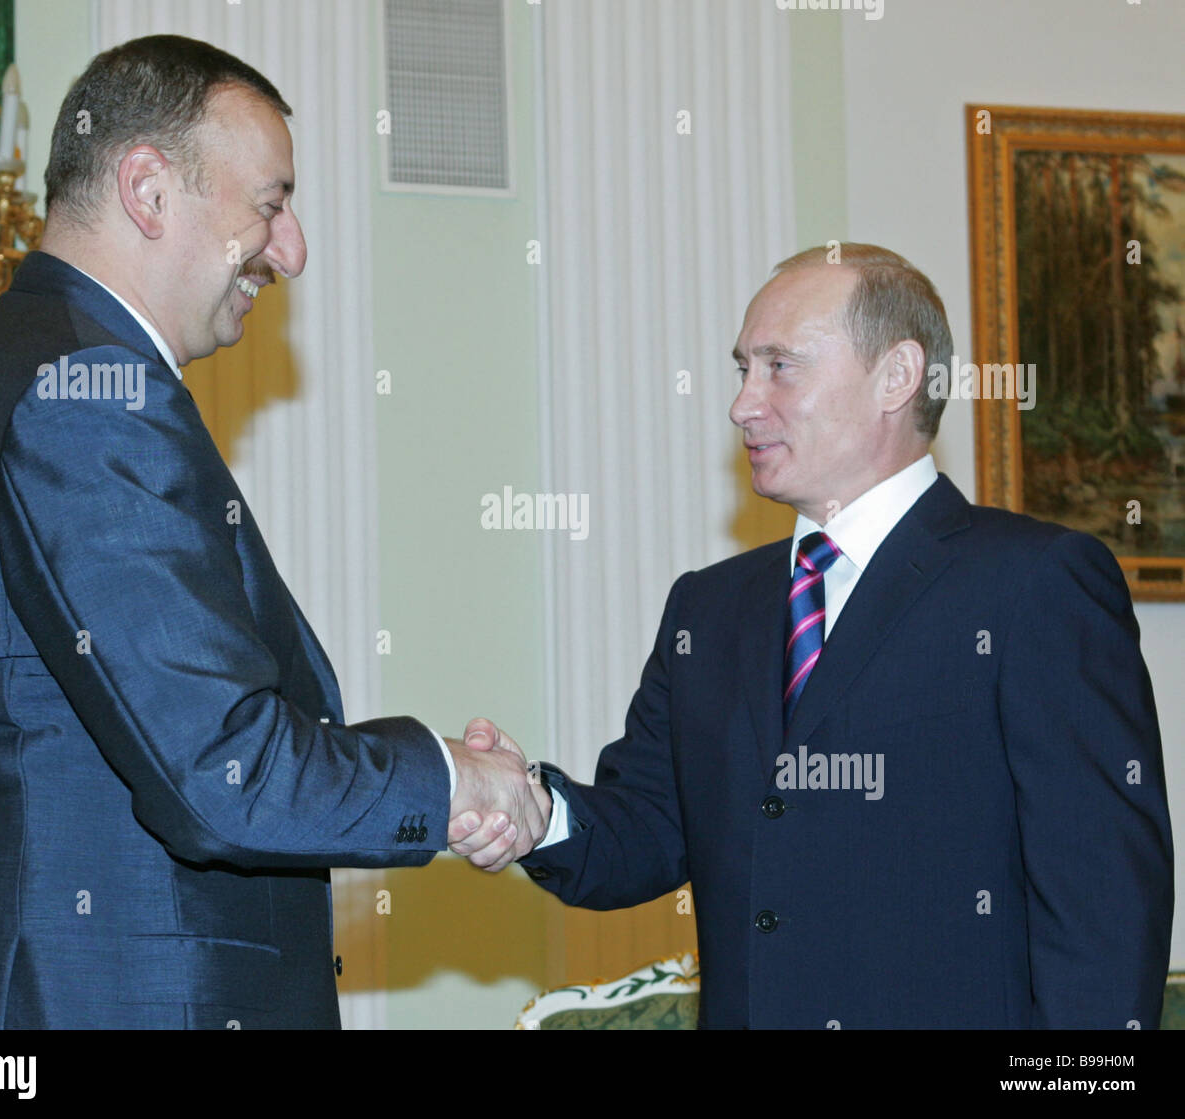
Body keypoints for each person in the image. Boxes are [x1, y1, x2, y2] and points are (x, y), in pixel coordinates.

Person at [0, 34, 548, 1029]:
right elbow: (220, 776)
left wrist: (436, 762)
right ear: (149, 190)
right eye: (270, 204)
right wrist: (454, 777)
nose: (291, 251)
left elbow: (162, 735)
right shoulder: (89, 399)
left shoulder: (26, 361)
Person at [450, 243, 1175, 1029]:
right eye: (741, 370)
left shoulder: (1034, 584)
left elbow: (1104, 901)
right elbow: (651, 827)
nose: (742, 404)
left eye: (780, 367)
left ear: (897, 375)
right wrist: (533, 809)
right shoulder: (707, 607)